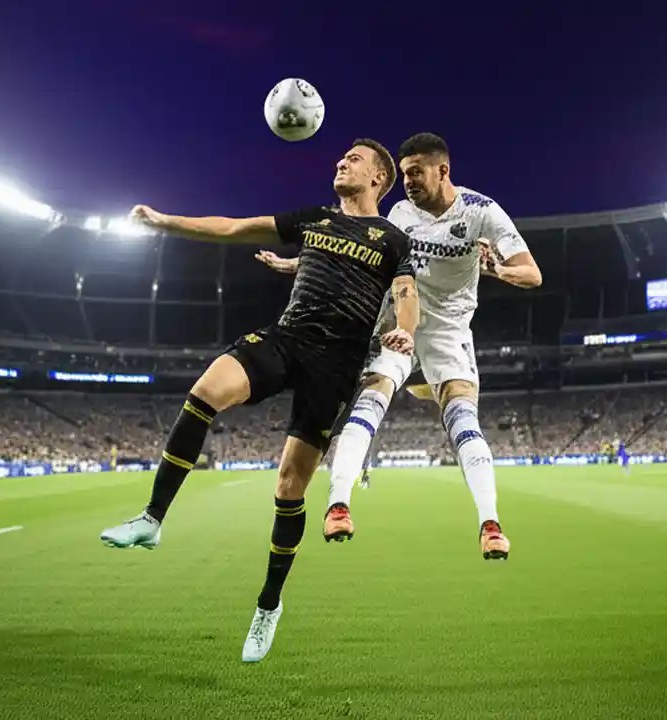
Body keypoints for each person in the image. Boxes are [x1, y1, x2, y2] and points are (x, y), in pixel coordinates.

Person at [99, 139, 418, 663]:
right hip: (287, 338)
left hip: (336, 367)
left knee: (290, 485)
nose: (341, 162)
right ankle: (151, 520)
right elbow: (231, 226)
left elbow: (407, 293)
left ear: (380, 178)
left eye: (354, 159)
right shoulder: (314, 219)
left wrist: (404, 332)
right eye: (340, 158)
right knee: (204, 391)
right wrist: (164, 222)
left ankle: (269, 605)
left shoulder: (391, 238)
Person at [255, 132, 541, 559]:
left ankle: (490, 523)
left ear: (442, 170)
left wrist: (495, 268)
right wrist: (296, 262)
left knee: (463, 416)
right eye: (404, 174)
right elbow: (368, 252)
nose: (407, 182)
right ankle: (338, 504)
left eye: (415, 173)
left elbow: (531, 274)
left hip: (448, 331)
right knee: (370, 398)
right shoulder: (401, 213)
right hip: (399, 321)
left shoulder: (482, 212)